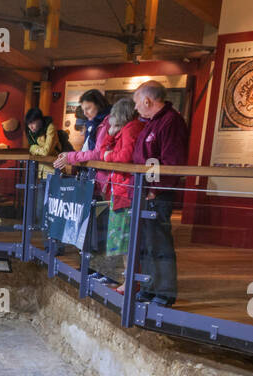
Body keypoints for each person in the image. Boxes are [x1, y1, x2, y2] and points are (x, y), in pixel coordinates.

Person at [54, 98, 144, 283]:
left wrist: (105, 154)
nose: (86, 112)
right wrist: (110, 136)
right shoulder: (115, 128)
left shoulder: (130, 128)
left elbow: (121, 155)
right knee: (112, 236)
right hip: (115, 187)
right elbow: (104, 149)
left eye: (88, 107)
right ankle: (111, 274)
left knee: (120, 238)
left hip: (124, 188)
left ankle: (123, 280)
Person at [129, 80, 188, 306]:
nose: (135, 108)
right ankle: (148, 287)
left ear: (147, 100)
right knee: (146, 243)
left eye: (137, 103)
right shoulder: (153, 122)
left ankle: (164, 292)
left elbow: (172, 162)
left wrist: (155, 190)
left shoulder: (171, 122)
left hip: (156, 195)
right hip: (144, 192)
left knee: (160, 243)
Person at [25, 107, 64, 179]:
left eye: (33, 122)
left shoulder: (50, 127)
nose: (31, 126)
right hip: (40, 171)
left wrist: (33, 148)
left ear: (40, 120)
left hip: (53, 170)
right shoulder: (31, 133)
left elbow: (46, 152)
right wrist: (34, 148)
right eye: (28, 124)